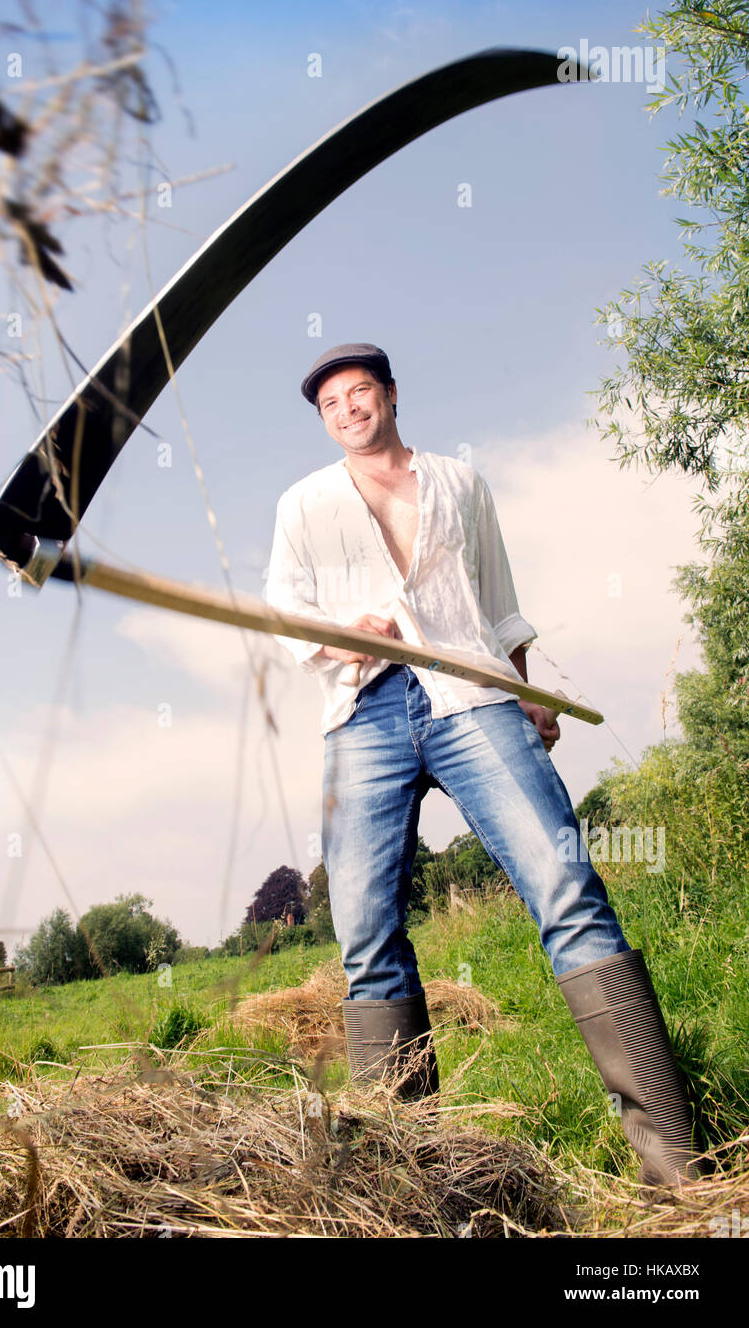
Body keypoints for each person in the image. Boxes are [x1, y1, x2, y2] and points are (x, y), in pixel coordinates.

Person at [265, 342, 703, 1186]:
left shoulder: (461, 482)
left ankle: (675, 1173)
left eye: (361, 393)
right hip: (363, 714)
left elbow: (498, 608)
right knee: (366, 937)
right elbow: (288, 619)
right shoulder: (303, 505)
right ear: (322, 421)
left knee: (568, 892)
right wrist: (350, 628)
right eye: (331, 405)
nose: (349, 410)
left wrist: (527, 694)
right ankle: (410, 1178)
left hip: (474, 700)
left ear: (390, 395)